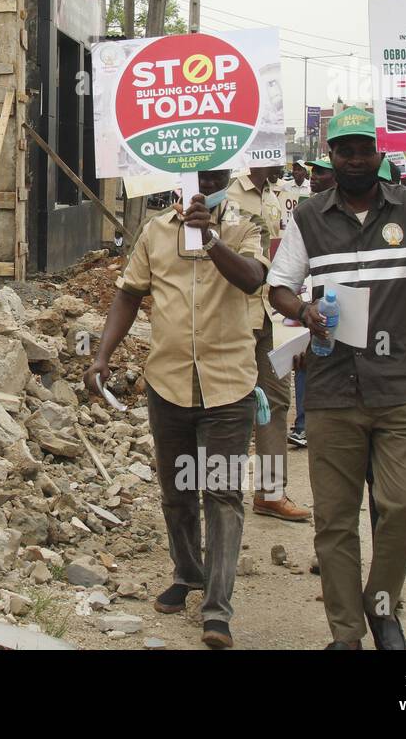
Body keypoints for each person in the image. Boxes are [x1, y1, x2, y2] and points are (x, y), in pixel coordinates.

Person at [267, 106, 406, 650]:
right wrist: (303, 312)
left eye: (364, 146)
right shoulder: (306, 217)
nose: (355, 157)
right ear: (333, 155)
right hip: (331, 389)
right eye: (344, 148)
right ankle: (347, 635)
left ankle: (382, 603)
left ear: (380, 152)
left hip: (401, 388)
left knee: (405, 506)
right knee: (336, 523)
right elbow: (278, 286)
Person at [84, 170, 268, 649]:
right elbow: (128, 293)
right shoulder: (155, 230)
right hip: (167, 383)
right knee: (176, 491)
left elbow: (252, 280)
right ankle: (188, 573)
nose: (207, 179)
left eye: (216, 172)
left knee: (222, 494)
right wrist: (102, 356)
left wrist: (209, 238)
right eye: (198, 171)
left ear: (229, 174)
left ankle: (217, 608)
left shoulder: (246, 225)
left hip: (229, 387)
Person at [228, 165, 311, 521]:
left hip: (273, 319)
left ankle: (270, 492)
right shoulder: (228, 192)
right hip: (235, 318)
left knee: (276, 401)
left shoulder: (273, 196)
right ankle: (217, 490)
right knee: (228, 403)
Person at [290, 157, 337, 449]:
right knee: (304, 360)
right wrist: (301, 308)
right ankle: (304, 425)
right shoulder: (306, 212)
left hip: (341, 308)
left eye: (321, 172)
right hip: (309, 301)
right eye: (313, 172)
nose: (314, 176)